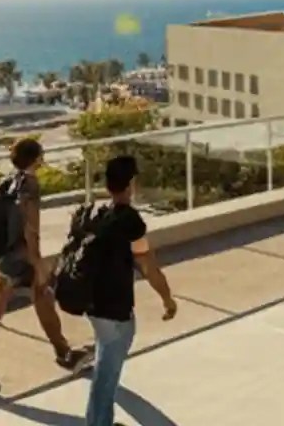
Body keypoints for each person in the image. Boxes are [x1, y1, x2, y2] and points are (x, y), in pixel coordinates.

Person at [0, 138, 92, 394]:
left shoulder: (10, 181)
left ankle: (64, 353)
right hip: (20, 259)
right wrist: (38, 262)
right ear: (37, 159)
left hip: (12, 256)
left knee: (42, 298)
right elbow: (31, 230)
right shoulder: (29, 185)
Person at [85, 155, 176, 426]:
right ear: (131, 184)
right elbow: (148, 266)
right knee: (107, 373)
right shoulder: (130, 222)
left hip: (92, 303)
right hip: (115, 307)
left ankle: (102, 420)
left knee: (105, 363)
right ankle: (97, 423)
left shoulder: (97, 214)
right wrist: (167, 299)